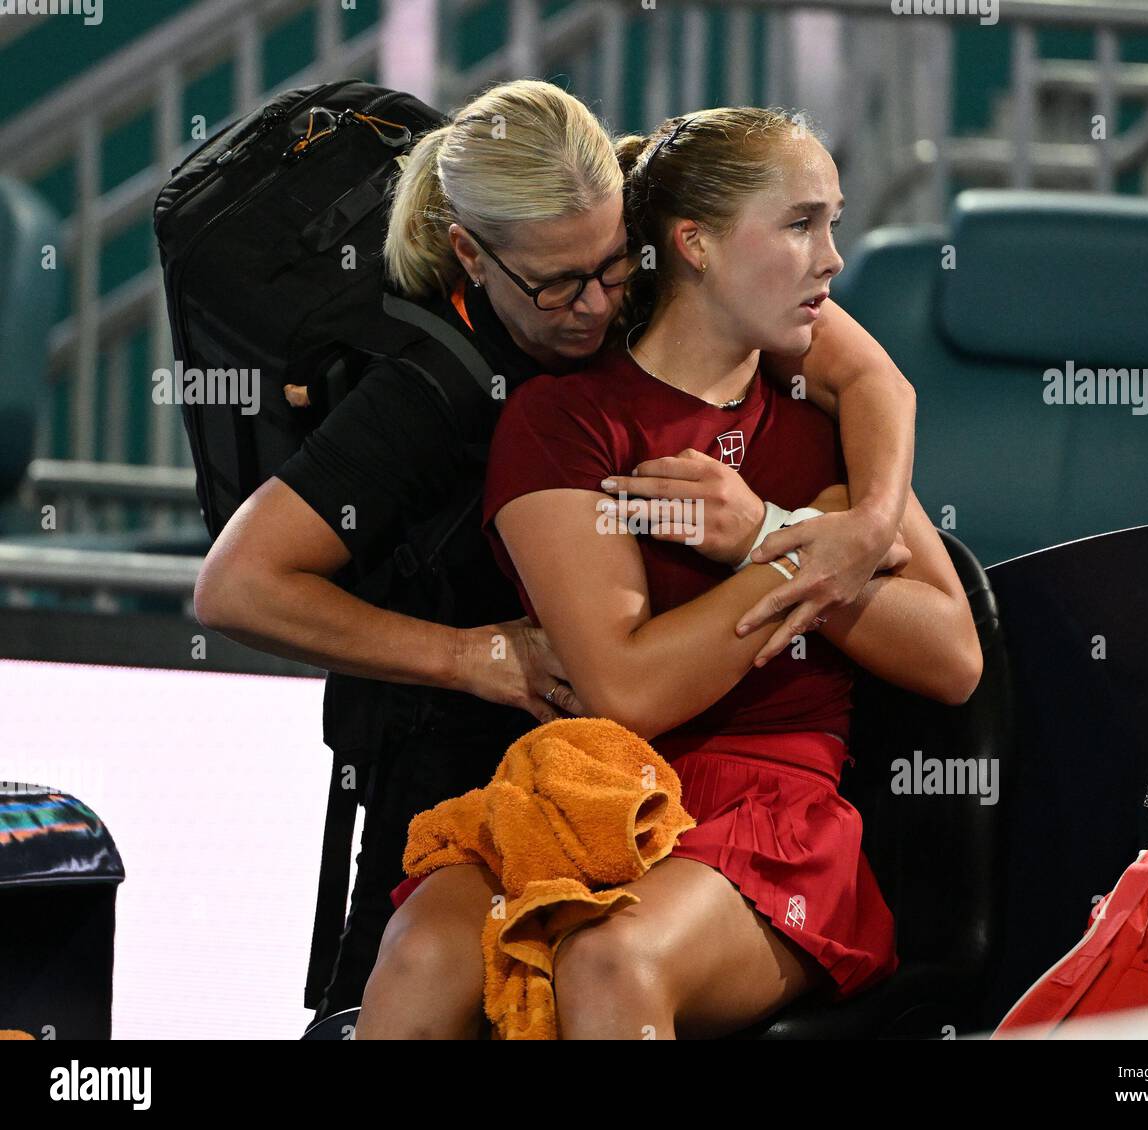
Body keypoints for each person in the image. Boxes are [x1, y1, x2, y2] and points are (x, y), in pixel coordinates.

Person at [192, 79, 919, 1025]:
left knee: (609, 966)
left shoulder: (665, 281)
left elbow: (874, 378)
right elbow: (235, 586)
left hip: (644, 763)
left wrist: (855, 529)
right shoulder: (431, 391)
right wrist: (472, 656)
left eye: (614, 268)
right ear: (472, 256)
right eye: (555, 285)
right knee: (411, 981)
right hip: (463, 749)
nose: (594, 308)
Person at [354, 106, 982, 1040]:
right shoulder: (561, 420)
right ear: (695, 244)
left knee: (609, 961)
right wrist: (801, 545)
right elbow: (628, 689)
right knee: (422, 952)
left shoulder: (821, 405)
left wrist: (763, 528)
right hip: (587, 793)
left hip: (780, 814)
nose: (833, 258)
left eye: (834, 223)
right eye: (803, 223)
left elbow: (955, 657)